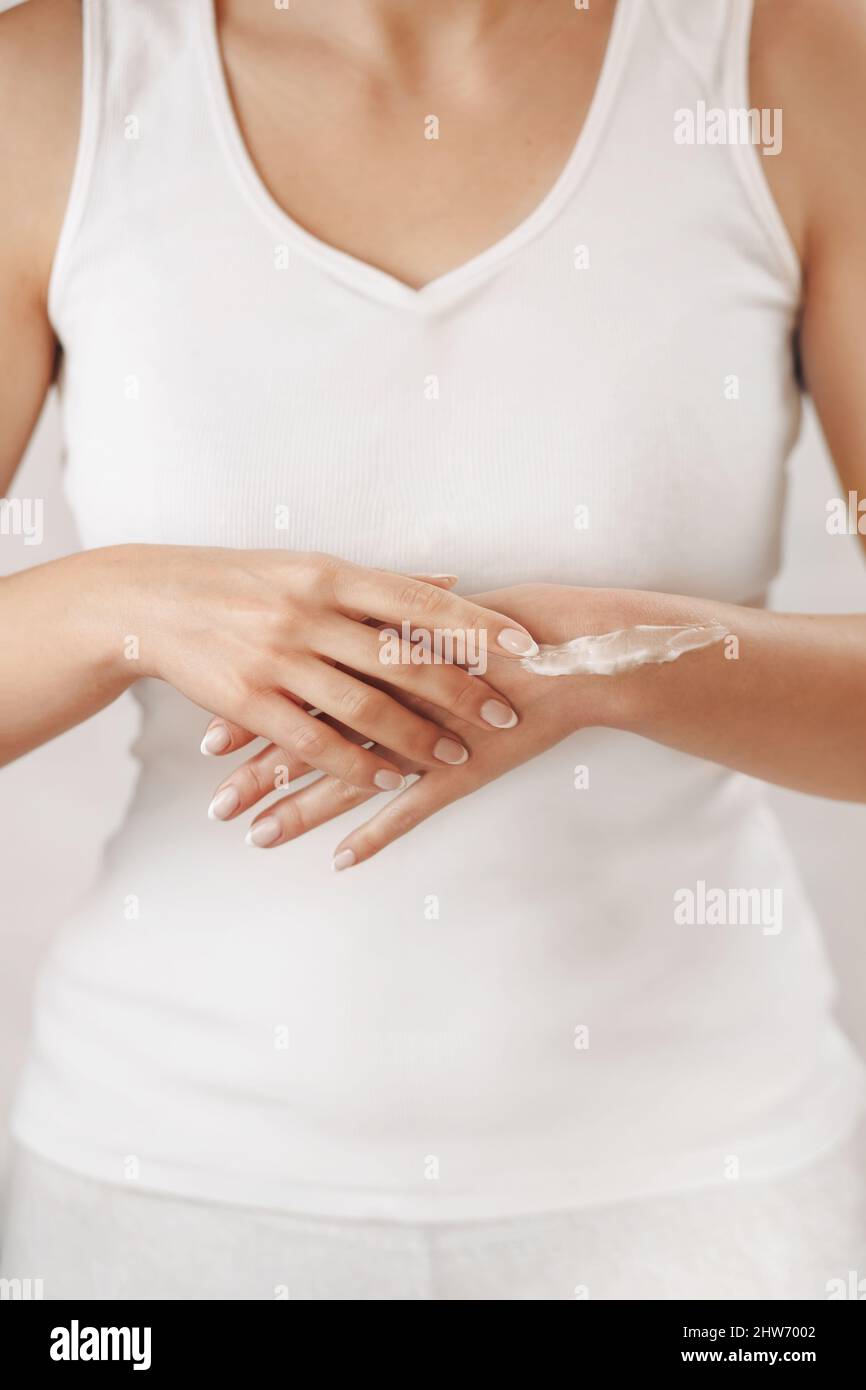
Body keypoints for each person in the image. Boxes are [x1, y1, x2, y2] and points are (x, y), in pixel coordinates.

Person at [1, 0, 865, 1300]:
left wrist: (626, 664)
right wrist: (115, 604)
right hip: (163, 1194)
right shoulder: (52, 86)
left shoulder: (791, 70)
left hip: (700, 1195)